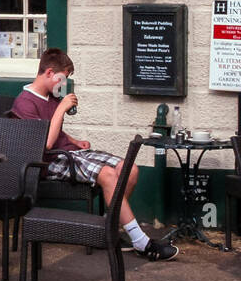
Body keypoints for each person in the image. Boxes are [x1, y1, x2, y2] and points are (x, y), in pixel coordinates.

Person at [11, 48, 177, 261]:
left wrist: (74, 141)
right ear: (50, 72)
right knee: (108, 176)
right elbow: (46, 142)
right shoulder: (25, 102)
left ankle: (107, 229)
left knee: (129, 170)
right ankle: (141, 242)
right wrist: (62, 108)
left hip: (69, 152)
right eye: (63, 79)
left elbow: (56, 130)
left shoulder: (50, 97)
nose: (63, 84)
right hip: (48, 161)